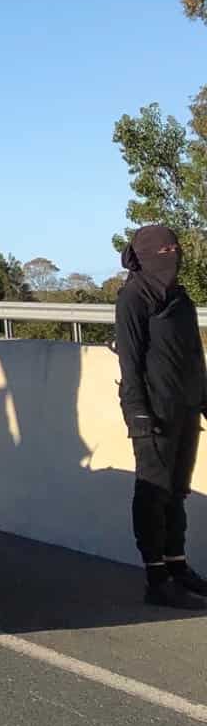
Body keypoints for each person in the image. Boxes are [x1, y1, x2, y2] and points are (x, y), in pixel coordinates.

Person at [115, 223, 207, 610]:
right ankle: (156, 578)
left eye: (175, 249)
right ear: (145, 254)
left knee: (176, 491)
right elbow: (130, 359)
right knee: (153, 492)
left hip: (185, 408)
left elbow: (193, 355)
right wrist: (136, 411)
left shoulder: (180, 298)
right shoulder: (133, 297)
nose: (172, 256)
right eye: (163, 250)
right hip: (152, 410)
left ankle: (178, 566)